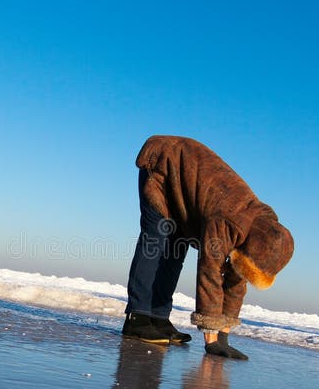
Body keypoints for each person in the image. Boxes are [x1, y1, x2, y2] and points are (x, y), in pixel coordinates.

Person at [123, 135, 294, 359]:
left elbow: (236, 279)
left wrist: (223, 335)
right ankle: (138, 317)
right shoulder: (229, 221)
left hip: (185, 187)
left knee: (176, 250)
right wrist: (211, 341)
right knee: (156, 243)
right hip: (165, 165)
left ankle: (158, 318)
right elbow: (209, 271)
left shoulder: (259, 232)